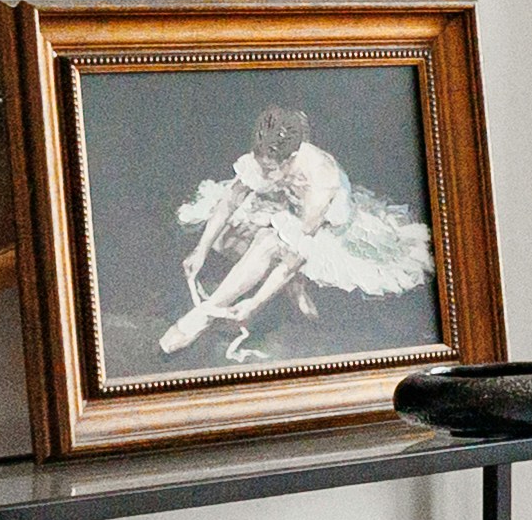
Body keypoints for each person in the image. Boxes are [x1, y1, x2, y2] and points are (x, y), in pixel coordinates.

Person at [159, 103, 429, 357]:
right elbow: (230, 200)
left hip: (322, 229)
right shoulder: (266, 156)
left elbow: (296, 253)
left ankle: (204, 314)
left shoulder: (321, 178)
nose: (263, 172)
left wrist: (254, 304)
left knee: (268, 241)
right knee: (224, 235)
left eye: (270, 168)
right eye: (260, 163)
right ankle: (292, 285)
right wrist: (201, 250)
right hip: (284, 205)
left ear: (292, 157)